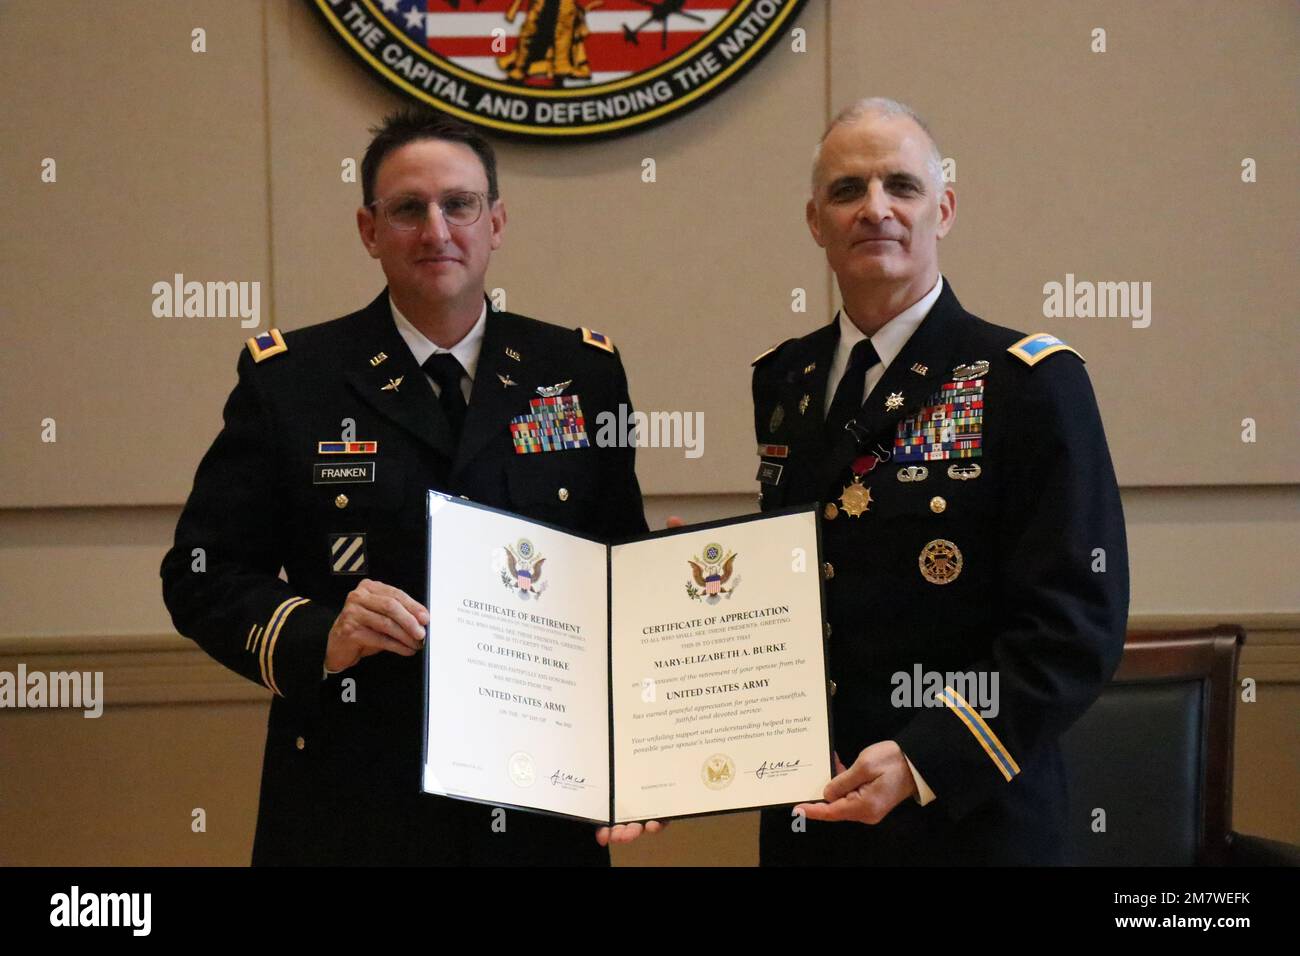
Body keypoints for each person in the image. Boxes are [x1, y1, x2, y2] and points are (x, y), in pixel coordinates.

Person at [161, 107, 655, 865]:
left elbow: (618, 569)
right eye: (407, 210)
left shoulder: (580, 374)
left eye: (458, 205)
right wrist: (320, 634)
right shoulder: (294, 381)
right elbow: (202, 573)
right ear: (369, 230)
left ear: (496, 222)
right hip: (353, 799)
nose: (436, 231)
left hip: (535, 807)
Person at [751, 98, 1129, 865]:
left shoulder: (1028, 382)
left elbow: (1073, 628)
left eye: (902, 186)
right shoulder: (784, 379)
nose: (875, 210)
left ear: (944, 209)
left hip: (968, 818)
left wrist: (927, 758)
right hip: (812, 813)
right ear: (815, 221)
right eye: (847, 191)